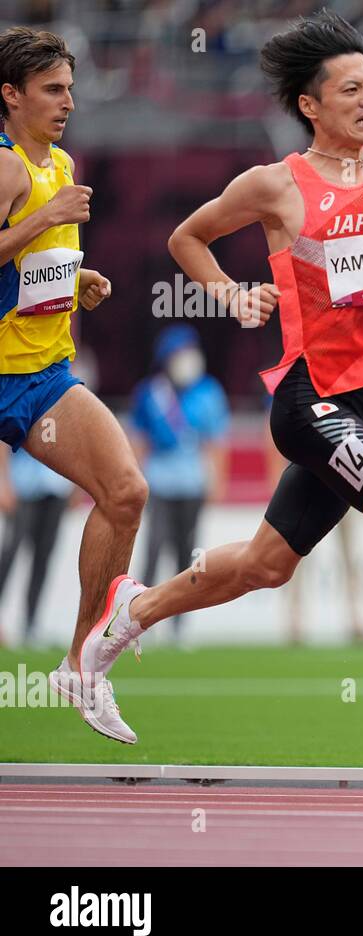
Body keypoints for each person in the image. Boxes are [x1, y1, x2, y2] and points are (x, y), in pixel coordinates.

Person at [81, 9, 363, 743]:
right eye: (351, 90)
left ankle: (133, 610)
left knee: (265, 565)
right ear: (311, 106)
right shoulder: (275, 185)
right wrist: (230, 291)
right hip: (310, 398)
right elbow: (185, 236)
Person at [0, 27, 151, 741]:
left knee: (125, 492)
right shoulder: (7, 170)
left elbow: (29, 269)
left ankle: (82, 662)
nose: (68, 102)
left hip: (41, 375)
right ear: (11, 95)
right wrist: (46, 218)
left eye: (70, 89)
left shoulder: (58, 162)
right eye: (52, 90)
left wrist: (73, 279)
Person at [130, 323, 229, 643]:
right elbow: (140, 442)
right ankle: (139, 621)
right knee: (154, 549)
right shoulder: (150, 393)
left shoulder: (208, 391)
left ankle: (178, 626)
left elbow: (216, 442)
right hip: (160, 483)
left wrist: (217, 482)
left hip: (193, 484)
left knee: (188, 557)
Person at [0, 447, 71, 643]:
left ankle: (31, 623)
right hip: (22, 486)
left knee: (43, 558)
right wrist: (4, 484)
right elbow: (4, 441)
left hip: (55, 487)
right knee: (9, 554)